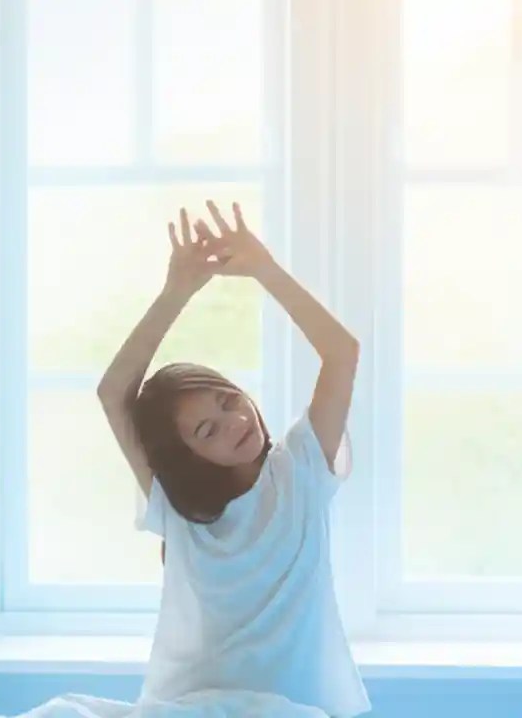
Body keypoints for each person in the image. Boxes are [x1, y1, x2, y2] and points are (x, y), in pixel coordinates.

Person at [95, 200, 370, 717]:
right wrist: (178, 291)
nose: (236, 422)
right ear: (188, 453)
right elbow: (114, 393)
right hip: (189, 706)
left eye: (230, 400)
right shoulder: (176, 506)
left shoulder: (302, 471)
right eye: (208, 429)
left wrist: (264, 269)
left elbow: (342, 352)